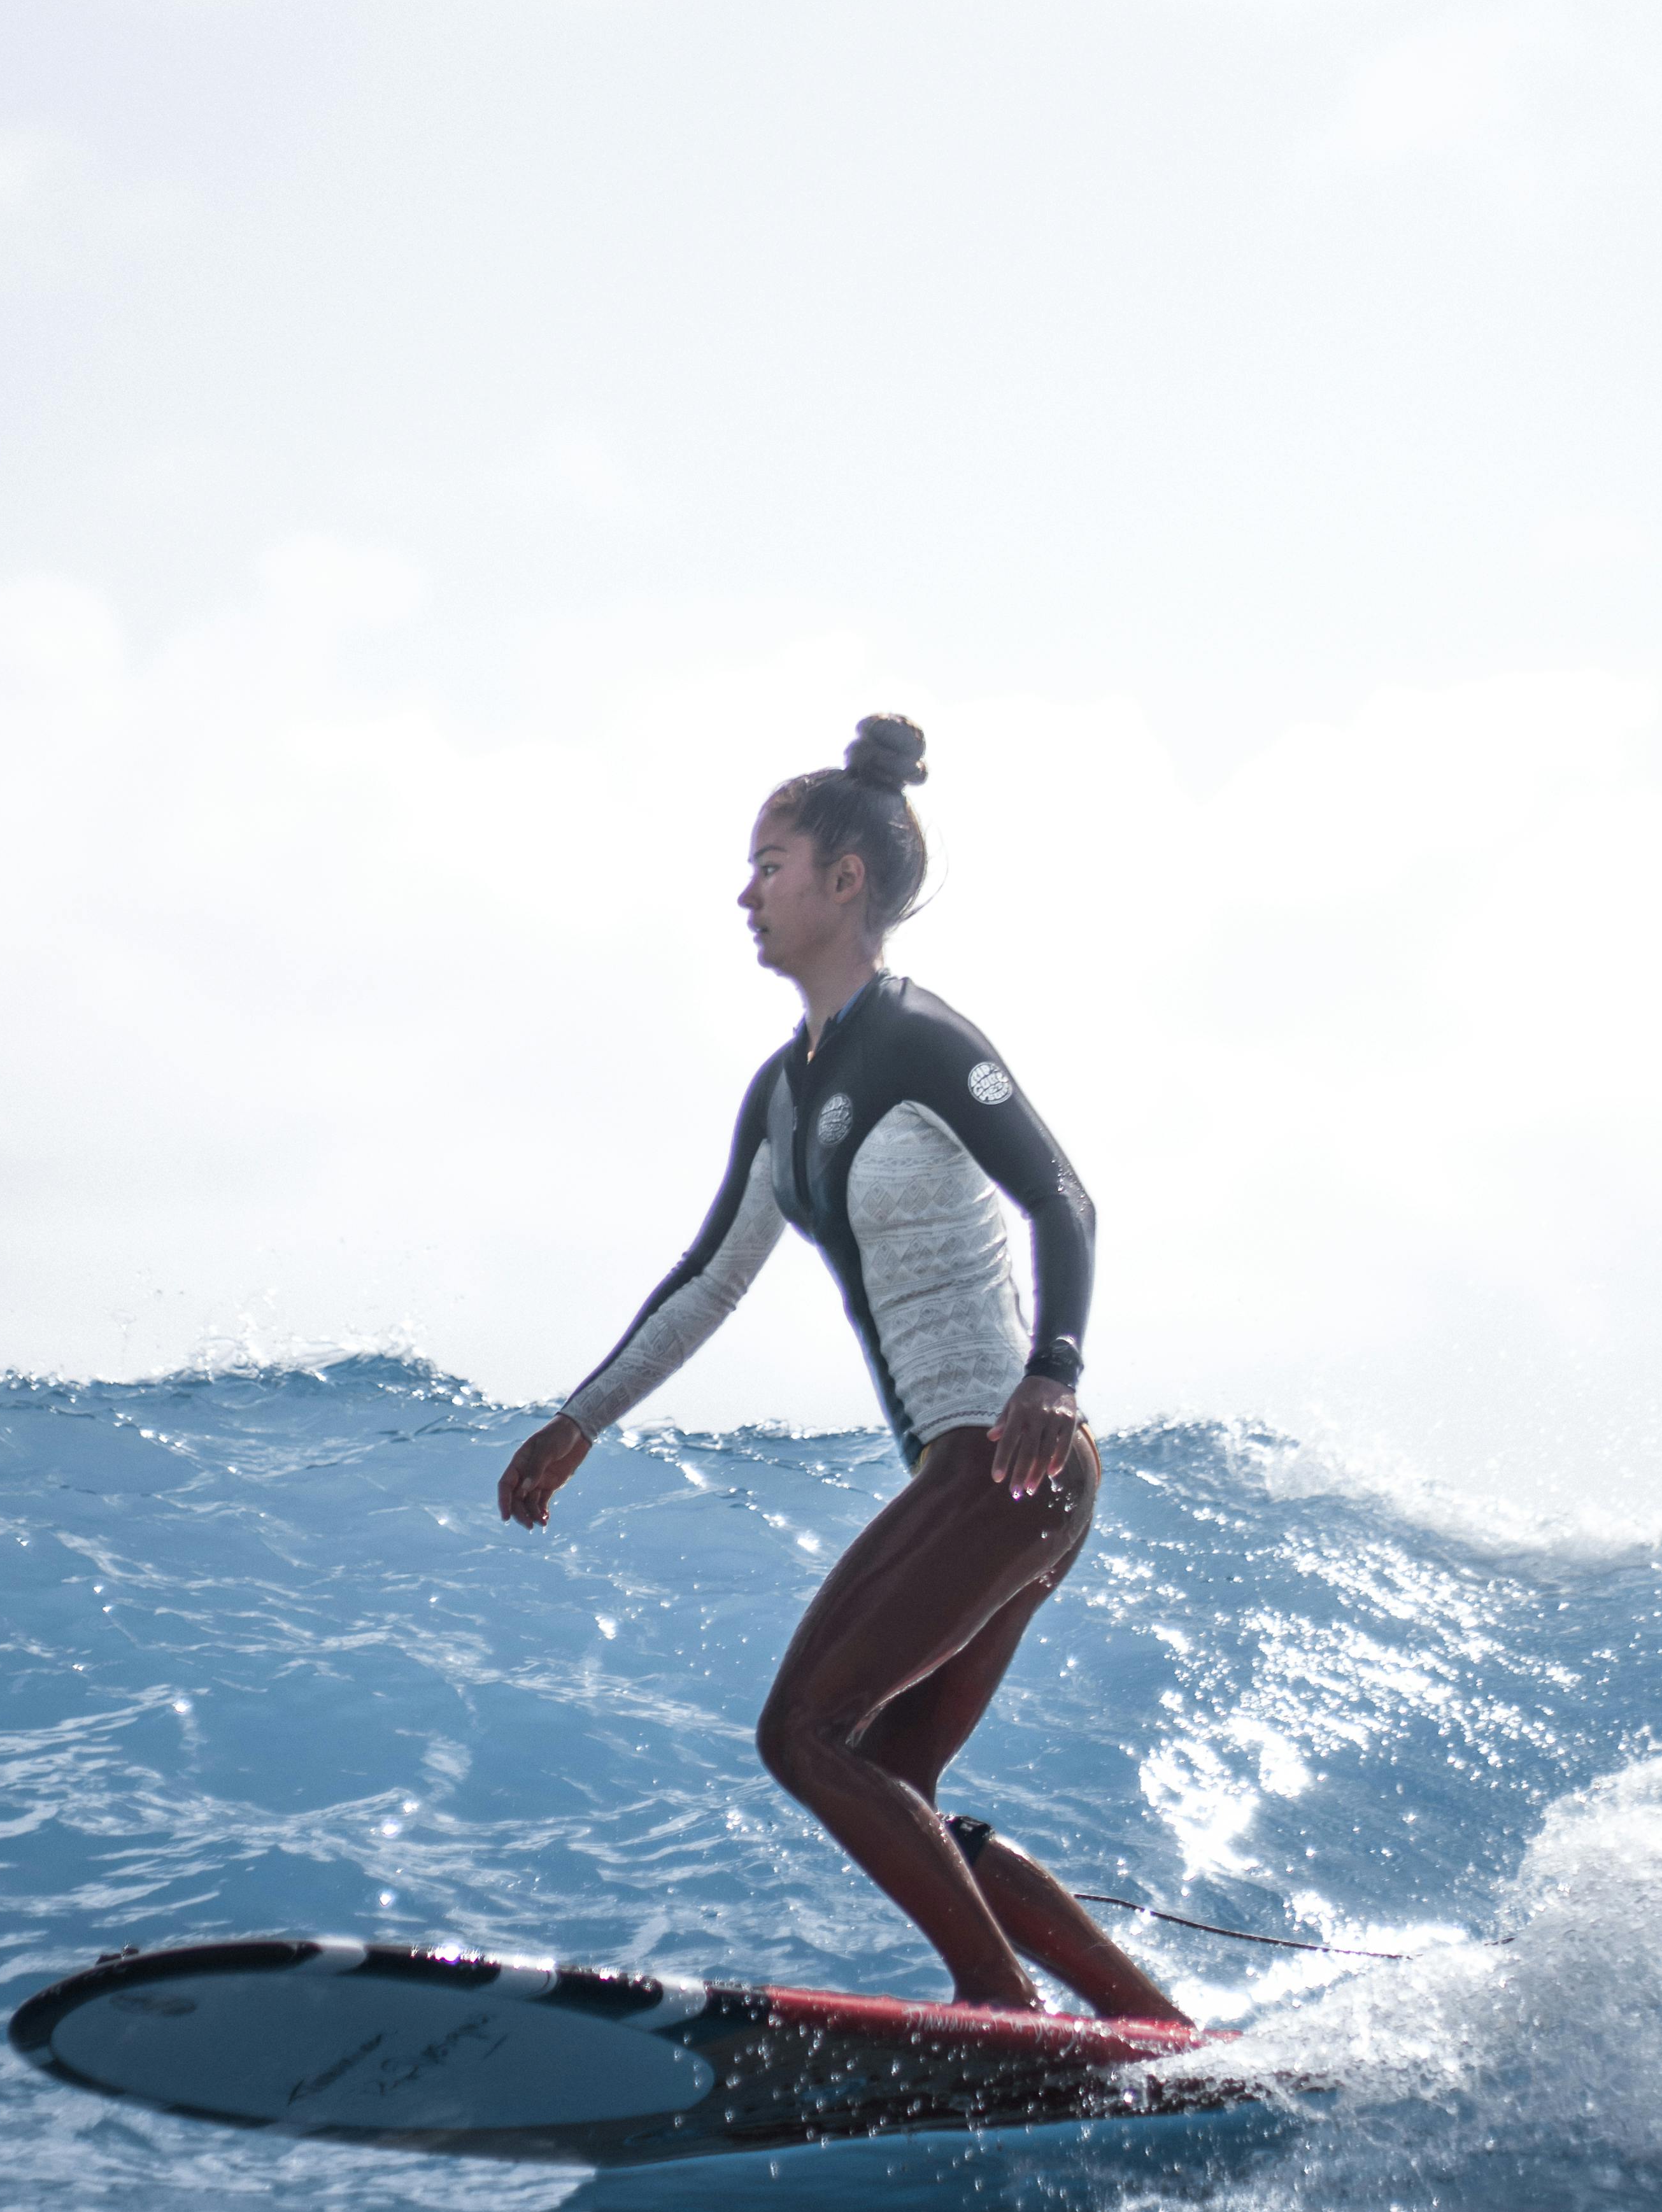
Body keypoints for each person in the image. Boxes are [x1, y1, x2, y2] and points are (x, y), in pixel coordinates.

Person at [497, 716, 1180, 2024]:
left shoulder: (922, 1042)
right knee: (883, 1777)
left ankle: (1001, 2010)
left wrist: (1055, 1370)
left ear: (843, 882)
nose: (745, 892)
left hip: (1011, 1457)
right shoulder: (782, 1095)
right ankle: (1147, 2029)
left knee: (801, 1735)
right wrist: (581, 1421)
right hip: (969, 1473)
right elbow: (710, 1279)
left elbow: (1063, 1202)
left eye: (770, 863)